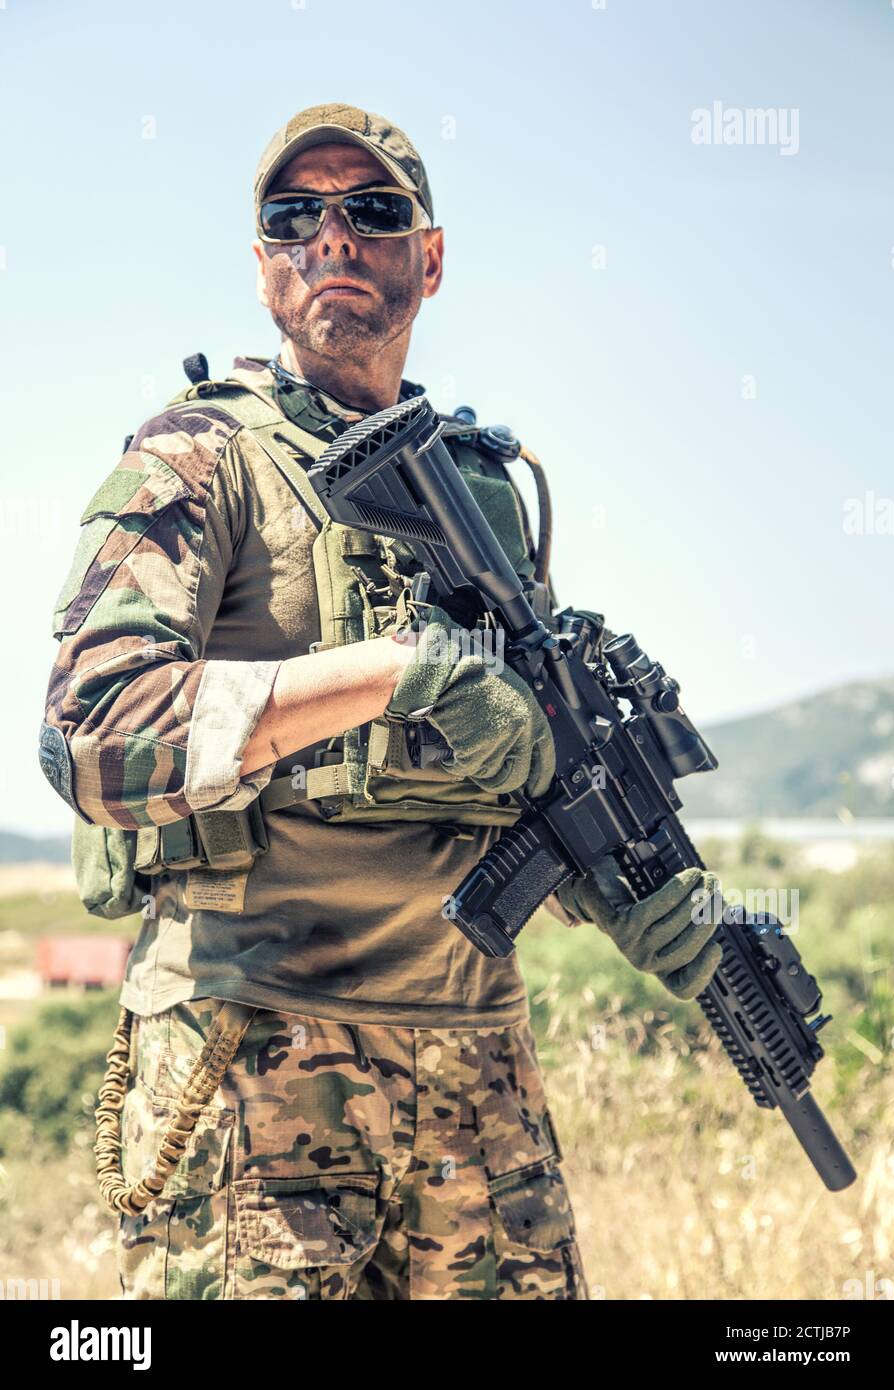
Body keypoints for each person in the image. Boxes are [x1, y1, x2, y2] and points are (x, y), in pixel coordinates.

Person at [40, 102, 721, 1301]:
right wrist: (399, 676)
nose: (333, 240)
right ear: (263, 268)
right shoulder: (197, 459)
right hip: (258, 1065)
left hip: (480, 1083)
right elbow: (92, 731)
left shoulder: (485, 491)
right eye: (294, 217)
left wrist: (627, 896)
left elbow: (527, 772)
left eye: (372, 212)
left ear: (430, 256)